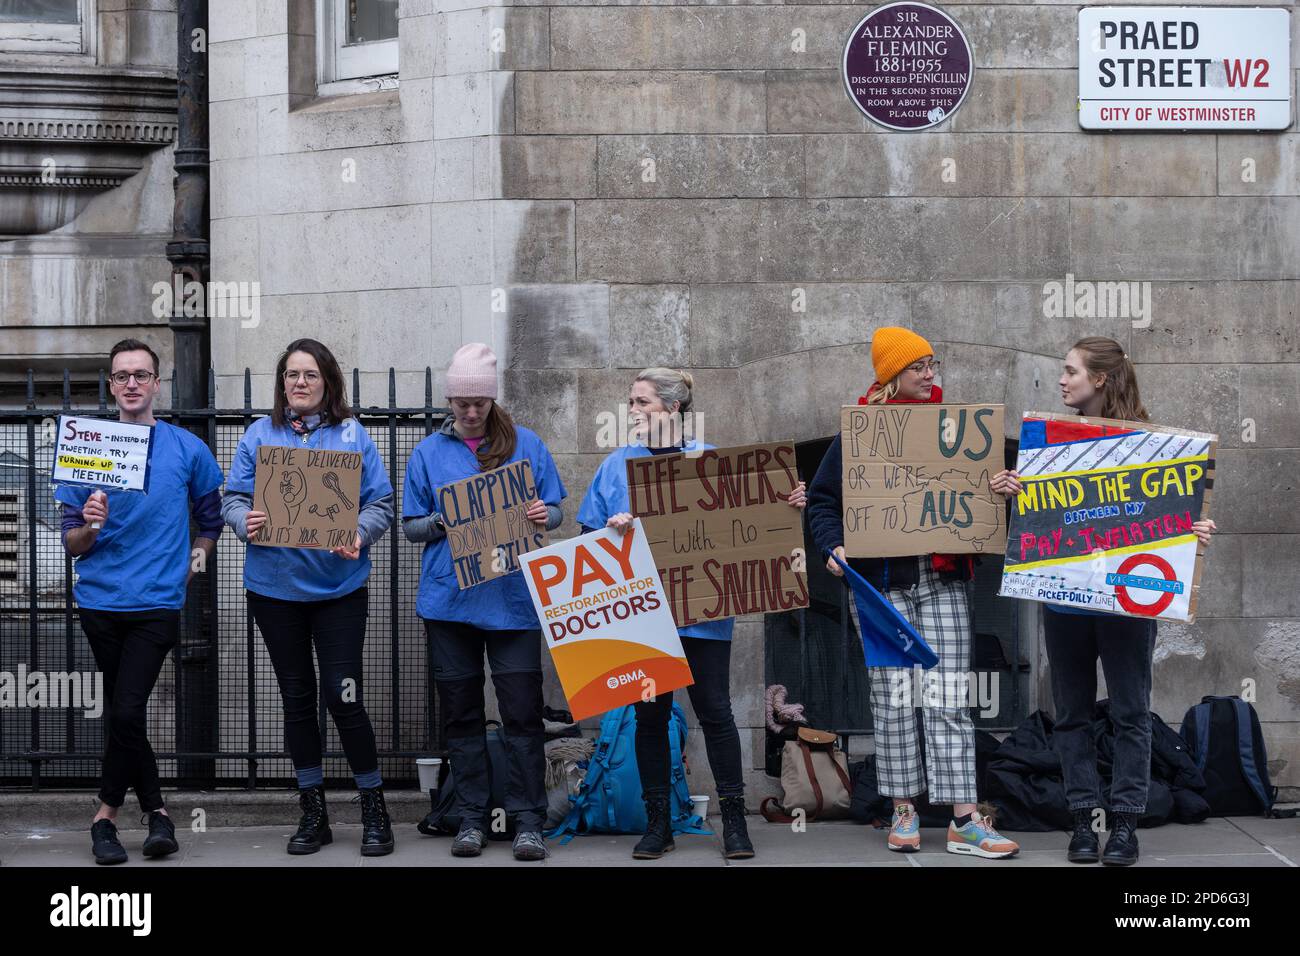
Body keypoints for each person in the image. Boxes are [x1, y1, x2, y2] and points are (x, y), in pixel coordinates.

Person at [992, 336, 1216, 865]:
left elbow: (1168, 513)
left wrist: (1194, 530)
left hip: (1126, 606)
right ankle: (1083, 822)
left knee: (1131, 714)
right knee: (1070, 715)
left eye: (1070, 371)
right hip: (1065, 603)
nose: (1063, 380)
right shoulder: (1048, 444)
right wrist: (1013, 494)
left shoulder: (1154, 446)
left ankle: (1124, 827)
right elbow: (1049, 520)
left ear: (1100, 380)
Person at [577, 367, 807, 860]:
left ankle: (735, 824)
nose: (633, 411)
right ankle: (658, 823)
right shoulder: (616, 466)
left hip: (704, 614)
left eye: (642, 403)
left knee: (716, 714)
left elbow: (756, 521)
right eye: (631, 402)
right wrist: (608, 533)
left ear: (673, 408)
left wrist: (789, 504)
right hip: (644, 616)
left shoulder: (710, 461)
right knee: (650, 717)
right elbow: (585, 544)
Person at [807, 327, 1020, 859]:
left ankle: (964, 820)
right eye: (919, 367)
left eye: (932, 365)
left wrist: (998, 493)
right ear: (891, 374)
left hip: (944, 578)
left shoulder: (960, 430)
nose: (931, 375)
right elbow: (822, 503)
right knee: (894, 699)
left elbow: (982, 508)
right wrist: (834, 549)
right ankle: (902, 809)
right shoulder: (858, 432)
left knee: (947, 697)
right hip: (880, 585)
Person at [222, 338, 396, 856]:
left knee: (344, 698)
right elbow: (232, 498)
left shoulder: (352, 435)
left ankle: (374, 809)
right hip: (275, 593)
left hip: (339, 591)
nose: (299, 383)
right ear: (282, 383)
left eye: (310, 375)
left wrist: (360, 533)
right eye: (292, 375)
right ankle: (313, 812)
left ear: (328, 383)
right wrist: (243, 522)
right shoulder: (259, 434)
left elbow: (381, 502)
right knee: (296, 701)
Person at [57, 339, 224, 865]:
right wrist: (88, 524)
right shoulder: (87, 446)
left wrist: (191, 566)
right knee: (125, 715)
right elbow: (71, 543)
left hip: (156, 602)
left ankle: (104, 818)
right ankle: (158, 814)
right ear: (111, 385)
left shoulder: (186, 448)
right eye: (122, 375)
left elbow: (212, 519)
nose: (131, 383)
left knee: (126, 708)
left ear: (156, 384)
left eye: (141, 374)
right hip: (100, 601)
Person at [402, 343, 566, 862]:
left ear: (492, 400)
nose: (471, 412)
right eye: (462, 402)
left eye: (480, 402)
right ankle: (470, 818)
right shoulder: (428, 453)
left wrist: (544, 513)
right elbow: (410, 526)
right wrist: (443, 523)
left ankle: (527, 822)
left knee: (522, 715)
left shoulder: (528, 445)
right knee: (462, 714)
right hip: (450, 604)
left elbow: (558, 511)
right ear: (450, 400)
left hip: (513, 601)